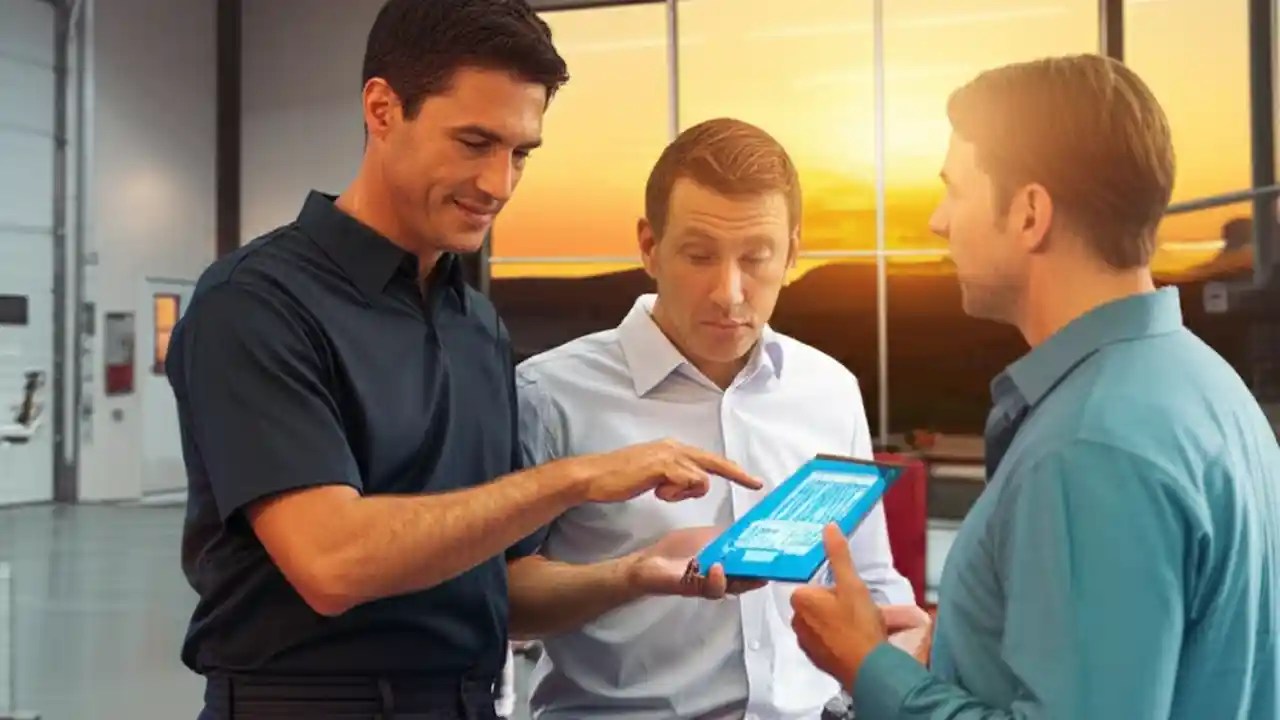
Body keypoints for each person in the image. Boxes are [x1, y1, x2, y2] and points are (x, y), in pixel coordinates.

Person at [167, 3, 760, 718]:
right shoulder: (255, 305)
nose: (499, 184)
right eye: (474, 142)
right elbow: (332, 562)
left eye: (520, 153)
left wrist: (636, 574)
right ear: (382, 109)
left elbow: (497, 595)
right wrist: (574, 479)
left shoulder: (476, 326)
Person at [790, 54, 1280, 719]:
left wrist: (868, 668)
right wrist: (961, 650)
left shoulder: (1088, 446)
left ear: (1029, 213)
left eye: (955, 190)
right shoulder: (1203, 387)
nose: (938, 220)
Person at [509, 117, 925, 720]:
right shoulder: (549, 392)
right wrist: (630, 575)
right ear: (649, 246)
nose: (730, 292)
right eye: (699, 256)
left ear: (792, 255)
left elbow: (867, 577)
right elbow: (498, 601)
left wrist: (901, 651)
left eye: (757, 258)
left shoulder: (830, 390)